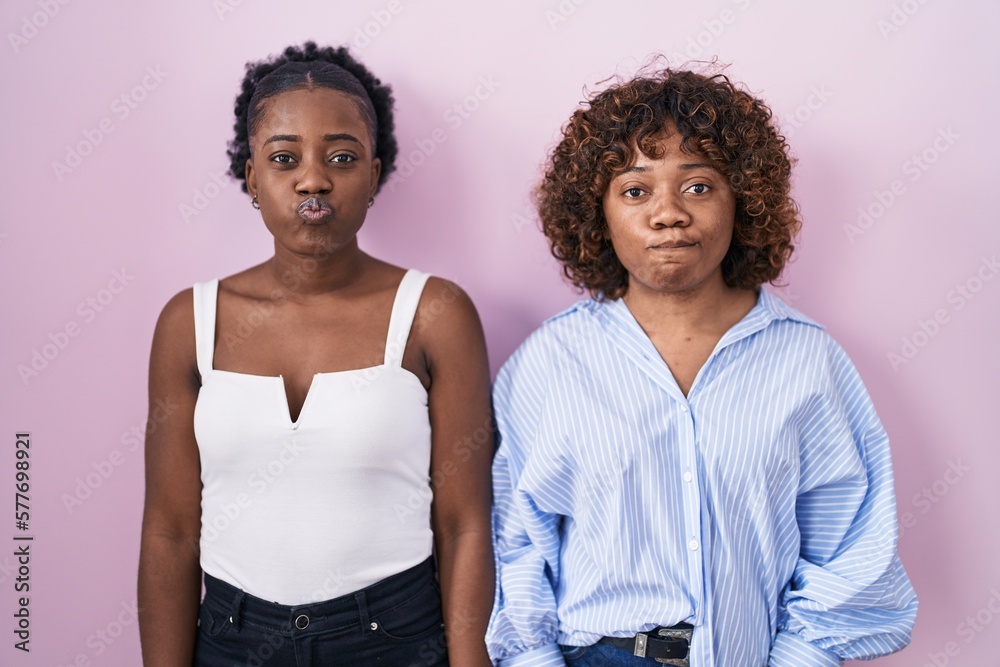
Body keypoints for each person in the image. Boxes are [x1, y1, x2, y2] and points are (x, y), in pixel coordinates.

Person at [486, 65, 917, 667]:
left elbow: (849, 541)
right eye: (634, 191)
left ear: (743, 200)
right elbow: (519, 547)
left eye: (697, 186)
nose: (668, 213)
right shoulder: (549, 363)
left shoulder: (807, 359)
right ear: (597, 213)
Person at [138, 42, 494, 666]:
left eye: (341, 157)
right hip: (232, 639)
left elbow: (463, 523)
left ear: (373, 175)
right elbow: (169, 530)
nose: (313, 179)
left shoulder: (436, 313)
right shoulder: (188, 322)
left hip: (393, 639)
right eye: (284, 158)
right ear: (252, 177)